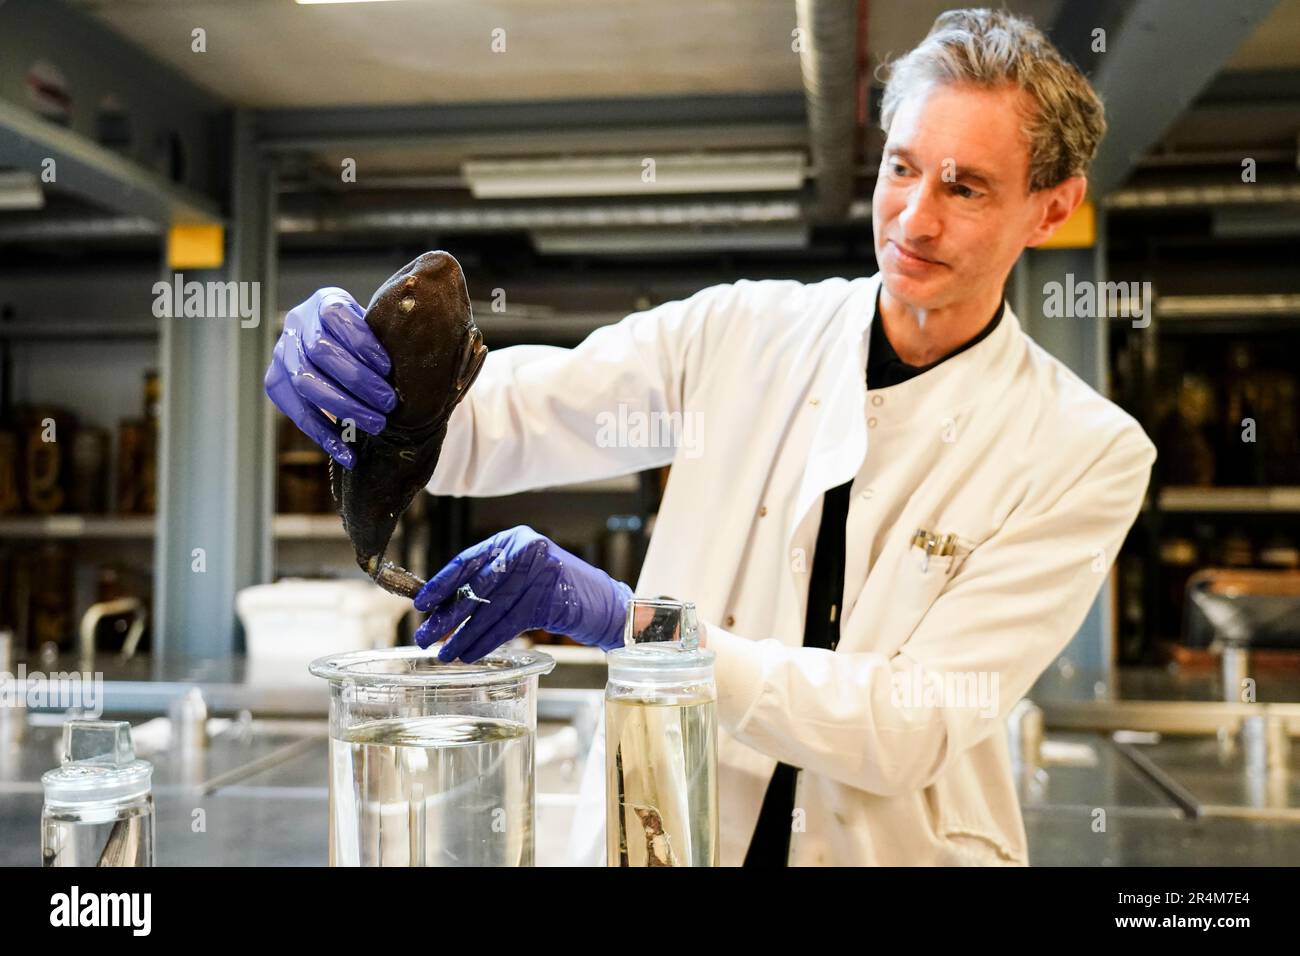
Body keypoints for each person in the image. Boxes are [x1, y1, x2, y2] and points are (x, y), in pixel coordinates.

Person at [266, 9, 1155, 866]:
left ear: (1052, 208)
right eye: (901, 168)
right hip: (666, 832)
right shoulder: (741, 331)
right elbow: (512, 414)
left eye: (963, 187)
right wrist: (373, 382)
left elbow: (908, 725)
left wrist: (635, 625)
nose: (915, 218)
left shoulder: (1083, 450)